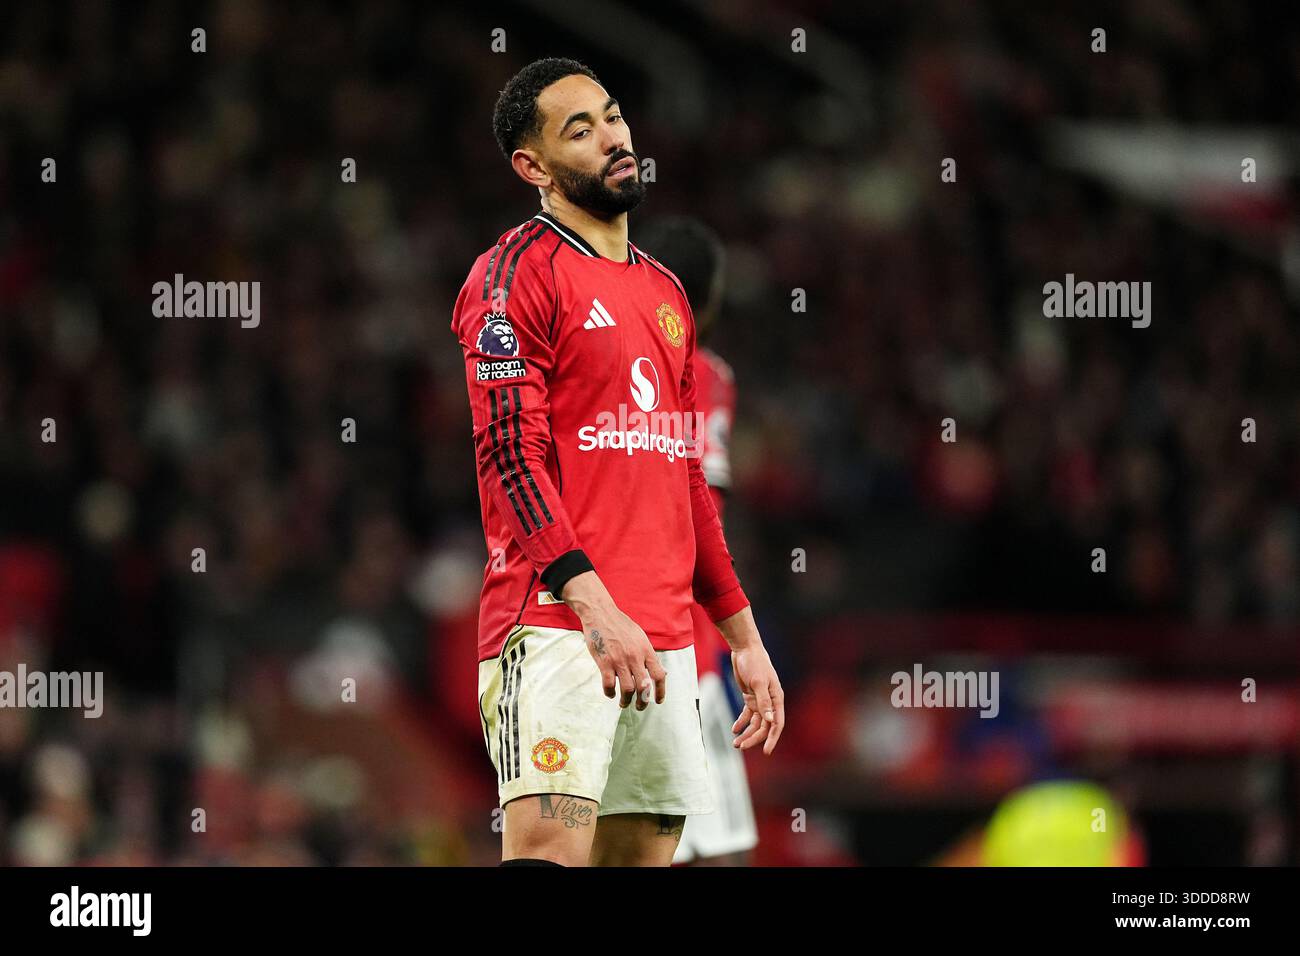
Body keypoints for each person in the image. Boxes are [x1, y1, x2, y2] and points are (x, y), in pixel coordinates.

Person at [449, 57, 784, 866]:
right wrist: (598, 611)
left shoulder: (667, 294)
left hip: (664, 643)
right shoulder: (511, 278)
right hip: (560, 628)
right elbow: (510, 459)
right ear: (532, 167)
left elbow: (686, 480)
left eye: (613, 117)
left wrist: (742, 636)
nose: (613, 138)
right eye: (581, 130)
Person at [634, 217, 759, 866]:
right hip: (686, 641)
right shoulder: (709, 375)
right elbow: (698, 516)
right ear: (706, 302)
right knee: (718, 847)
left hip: (609, 638)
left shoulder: (604, 369)